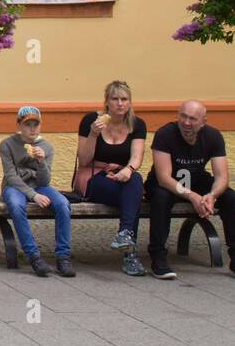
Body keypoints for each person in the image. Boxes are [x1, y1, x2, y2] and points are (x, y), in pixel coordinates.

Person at [145, 100, 235, 279]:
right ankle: (158, 257)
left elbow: (222, 176)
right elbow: (164, 178)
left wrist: (212, 195)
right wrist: (193, 196)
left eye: (192, 119)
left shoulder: (213, 136)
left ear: (203, 122)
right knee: (161, 198)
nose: (186, 122)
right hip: (167, 183)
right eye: (183, 116)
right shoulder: (165, 134)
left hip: (197, 179)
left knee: (231, 197)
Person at [75, 80, 148, 276]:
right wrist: (93, 134)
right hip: (93, 175)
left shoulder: (137, 124)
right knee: (132, 196)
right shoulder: (91, 120)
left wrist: (128, 169)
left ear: (130, 103)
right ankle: (129, 254)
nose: (120, 103)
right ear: (106, 102)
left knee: (135, 180)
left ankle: (124, 235)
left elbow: (136, 157)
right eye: (115, 99)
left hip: (122, 177)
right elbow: (83, 160)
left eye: (124, 99)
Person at [0, 105, 74, 278]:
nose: (32, 129)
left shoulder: (46, 147)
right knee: (16, 206)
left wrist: (41, 162)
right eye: (27, 125)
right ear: (19, 126)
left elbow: (44, 181)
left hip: (39, 186)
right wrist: (33, 195)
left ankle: (63, 256)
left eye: (36, 125)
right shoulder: (7, 145)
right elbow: (11, 176)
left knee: (63, 204)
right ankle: (33, 255)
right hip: (15, 187)